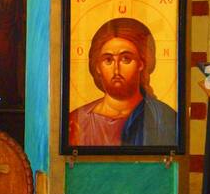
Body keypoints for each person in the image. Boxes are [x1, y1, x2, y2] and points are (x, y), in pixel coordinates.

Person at [67, 17, 176, 147]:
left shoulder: (164, 119)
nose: (116, 69)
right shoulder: (77, 121)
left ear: (142, 64)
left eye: (126, 59)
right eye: (108, 60)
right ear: (97, 67)